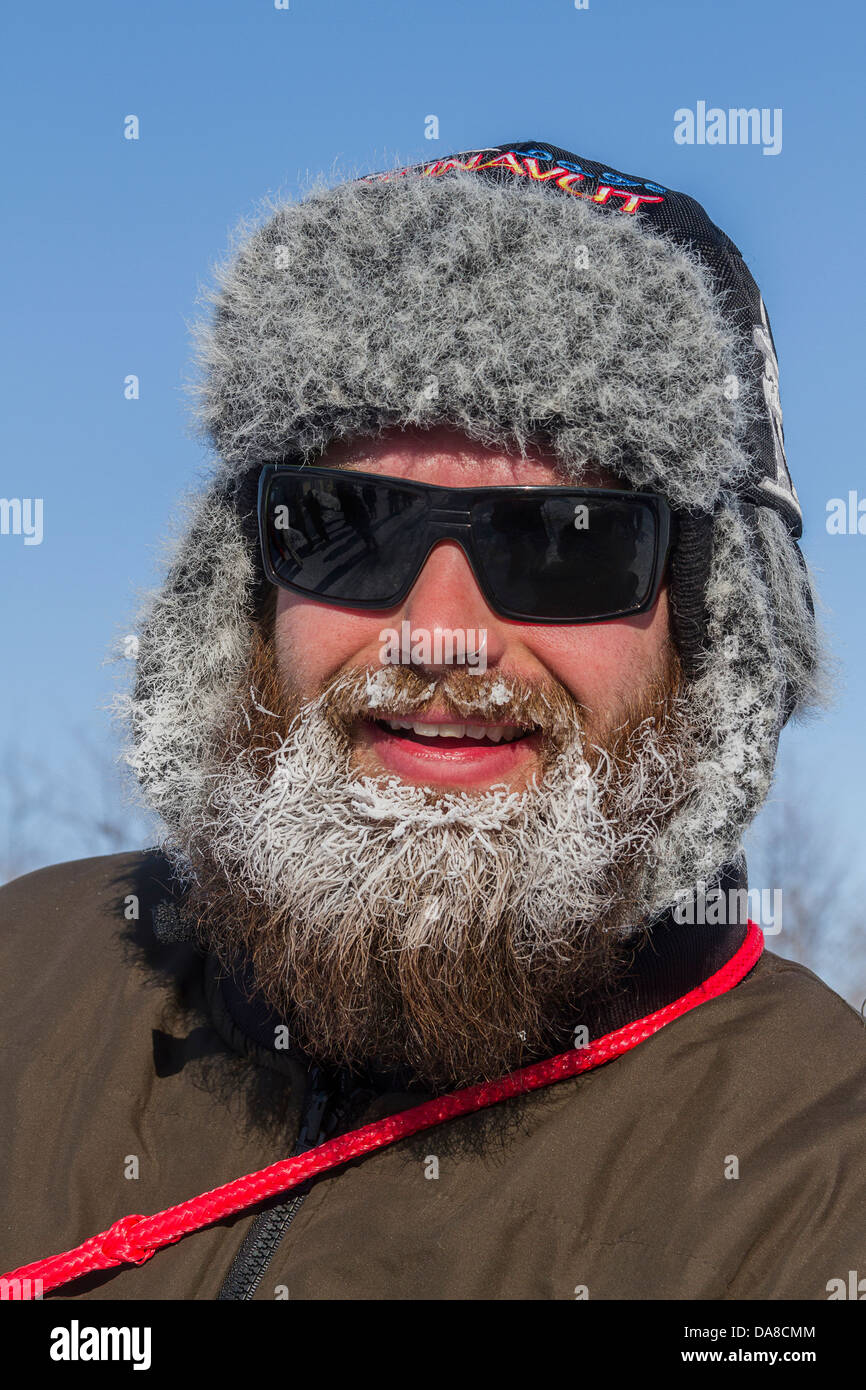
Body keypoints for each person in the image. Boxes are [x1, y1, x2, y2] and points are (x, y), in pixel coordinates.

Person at [2, 140, 864, 1302]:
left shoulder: (815, 1190)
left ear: (715, 634)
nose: (437, 633)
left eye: (562, 541)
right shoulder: (32, 969)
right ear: (246, 588)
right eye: (347, 524)